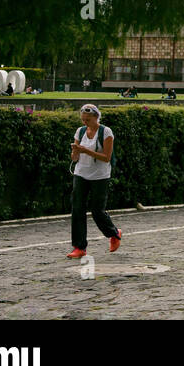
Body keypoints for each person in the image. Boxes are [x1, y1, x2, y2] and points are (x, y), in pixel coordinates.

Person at [67, 104, 122, 259]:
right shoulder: (80, 131)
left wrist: (86, 151)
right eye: (83, 119)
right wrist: (75, 151)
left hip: (100, 175)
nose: (85, 122)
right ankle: (79, 247)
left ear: (96, 118)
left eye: (88, 120)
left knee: (97, 211)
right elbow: (74, 158)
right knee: (77, 209)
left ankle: (114, 233)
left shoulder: (106, 132)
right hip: (81, 173)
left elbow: (106, 157)